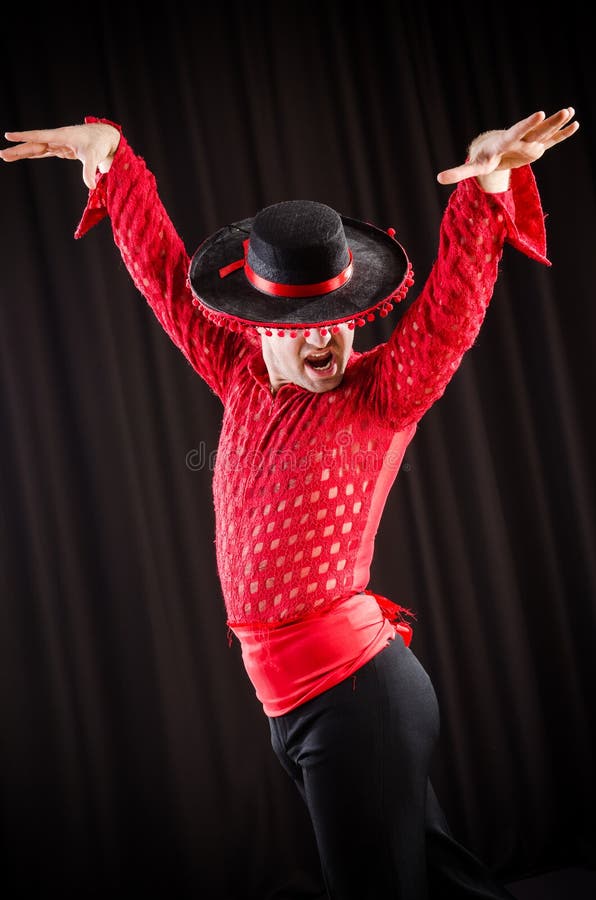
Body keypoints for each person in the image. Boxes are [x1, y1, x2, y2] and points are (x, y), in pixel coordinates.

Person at [0, 107, 579, 899]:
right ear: (261, 323)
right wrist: (112, 164)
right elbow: (171, 284)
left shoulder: (382, 391)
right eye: (305, 321)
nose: (327, 339)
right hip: (303, 711)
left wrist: (489, 186)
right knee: (446, 886)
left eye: (342, 319)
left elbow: (450, 313)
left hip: (355, 700)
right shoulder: (238, 372)